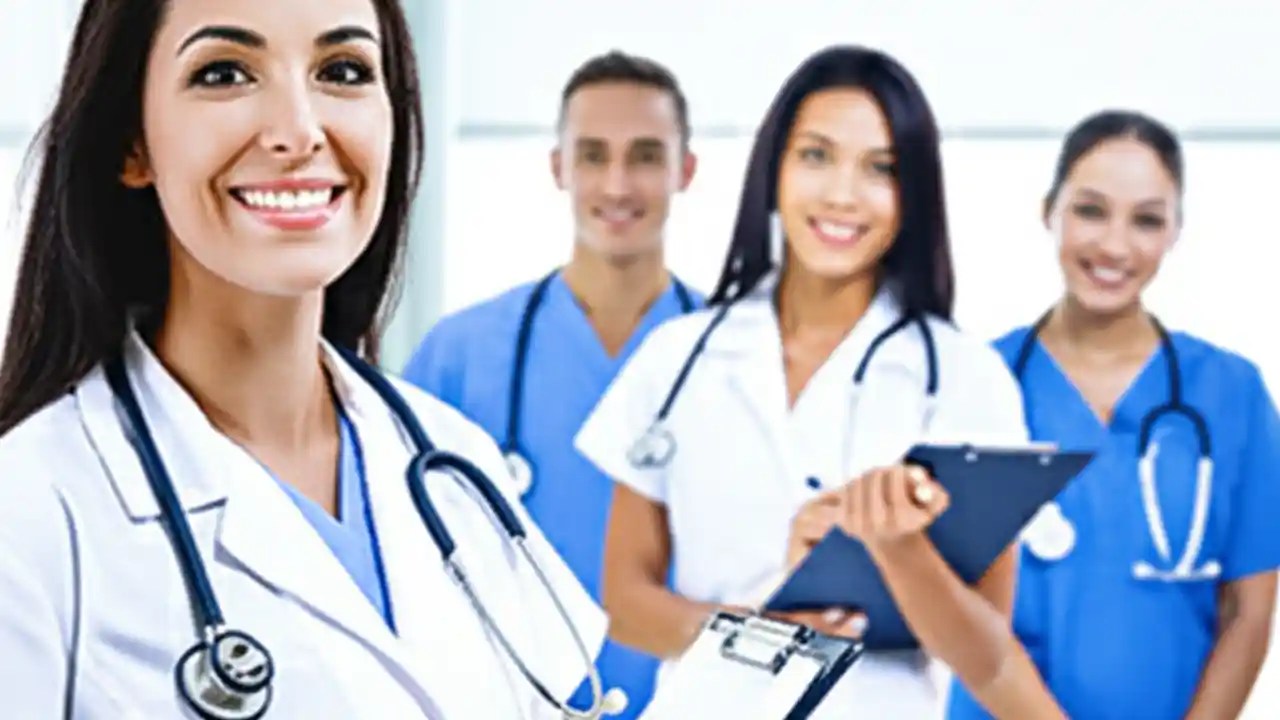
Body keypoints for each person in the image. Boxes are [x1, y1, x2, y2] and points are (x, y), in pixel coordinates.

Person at [0, 1, 612, 717]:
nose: (299, 130)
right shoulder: (35, 509)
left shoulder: (454, 464)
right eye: (225, 73)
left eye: (342, 70)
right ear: (132, 143)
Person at [573, 44, 1066, 719]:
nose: (841, 194)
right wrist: (756, 630)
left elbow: (984, 654)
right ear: (773, 166)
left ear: (912, 194)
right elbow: (626, 601)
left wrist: (895, 547)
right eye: (816, 156)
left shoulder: (960, 377)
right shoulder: (678, 355)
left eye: (880, 169)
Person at [947, 111, 1280, 720]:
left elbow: (1249, 612)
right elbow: (942, 603)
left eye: (1147, 220)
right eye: (1091, 210)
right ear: (1049, 211)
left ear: (1176, 232)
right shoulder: (975, 382)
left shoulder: (1232, 393)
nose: (1115, 245)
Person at [401, 50, 701, 718]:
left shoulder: (736, 360)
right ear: (558, 167)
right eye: (593, 154)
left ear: (685, 170)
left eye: (646, 155)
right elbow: (402, 569)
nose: (618, 184)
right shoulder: (461, 354)